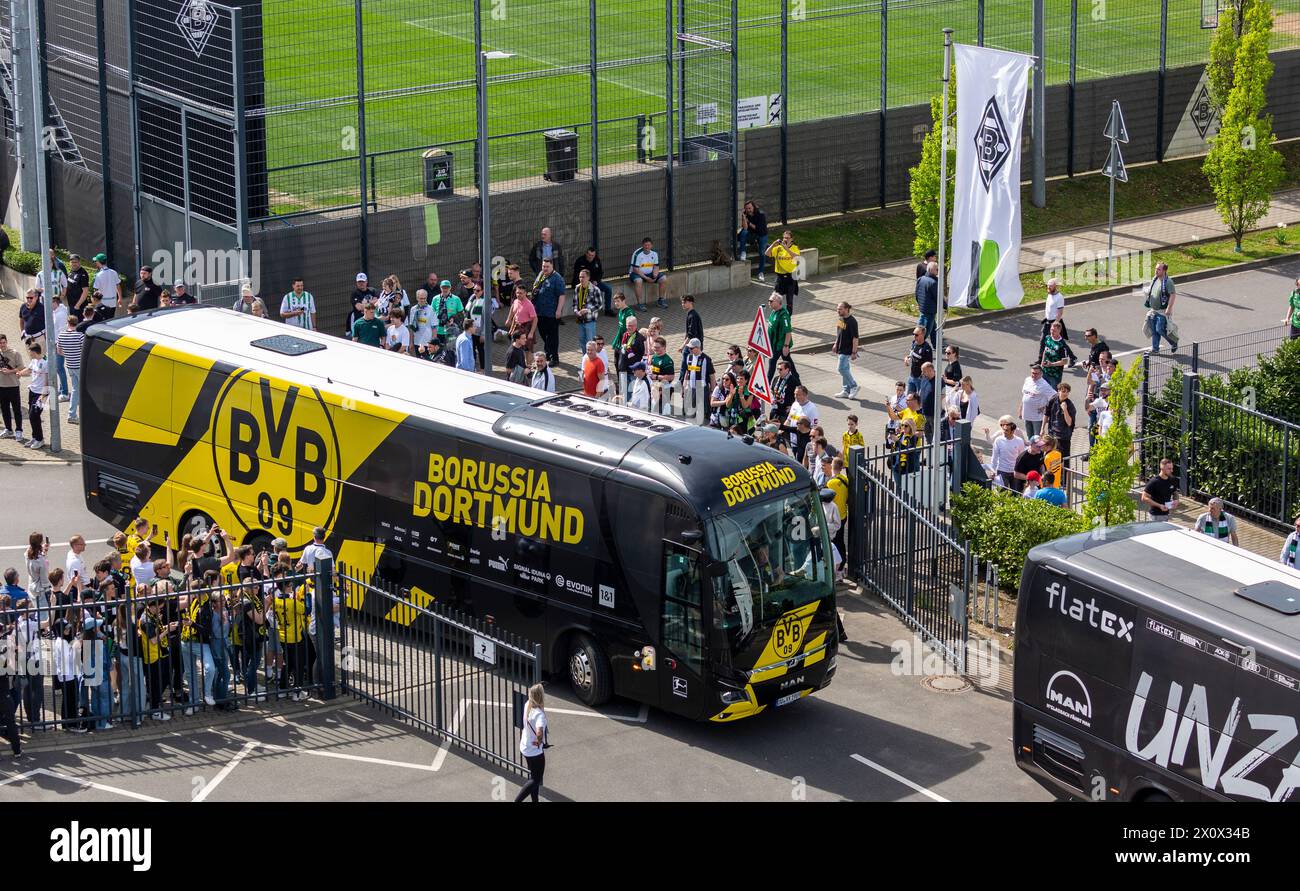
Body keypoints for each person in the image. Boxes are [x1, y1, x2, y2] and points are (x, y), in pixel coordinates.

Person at [514, 683, 549, 802]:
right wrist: (539, 741)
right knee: (535, 779)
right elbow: (539, 732)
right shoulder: (540, 715)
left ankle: (535, 800)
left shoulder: (527, 705)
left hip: (525, 746)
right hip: (534, 752)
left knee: (533, 776)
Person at [14, 340, 49, 449]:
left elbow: (48, 380)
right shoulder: (34, 361)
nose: (29, 354)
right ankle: (35, 437)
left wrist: (43, 395)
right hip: (32, 391)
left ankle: (40, 439)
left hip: (41, 394)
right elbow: (29, 370)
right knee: (32, 416)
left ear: (35, 352)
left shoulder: (45, 362)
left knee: (33, 415)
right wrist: (20, 373)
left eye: (30, 352)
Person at [532, 258, 566, 367]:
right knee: (543, 333)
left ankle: (554, 358)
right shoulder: (541, 275)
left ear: (552, 266)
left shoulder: (557, 279)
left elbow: (561, 295)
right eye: (543, 266)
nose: (545, 268)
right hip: (539, 312)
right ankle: (548, 352)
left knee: (552, 336)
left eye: (547, 266)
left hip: (551, 313)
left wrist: (559, 310)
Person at [1143, 261, 1179, 353]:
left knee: (1160, 329)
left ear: (1164, 271)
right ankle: (1155, 349)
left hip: (1162, 311)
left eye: (1159, 269)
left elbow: (1173, 294)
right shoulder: (1155, 278)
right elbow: (1152, 290)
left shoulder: (1168, 282)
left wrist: (1169, 308)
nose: (1156, 271)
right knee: (1154, 330)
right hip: (1154, 310)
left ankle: (1173, 342)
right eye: (1156, 268)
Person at [56, 312, 85, 424]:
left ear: (67, 323)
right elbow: (84, 351)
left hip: (70, 366)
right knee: (82, 390)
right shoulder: (80, 336)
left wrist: (69, 354)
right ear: (76, 323)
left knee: (75, 389)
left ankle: (72, 414)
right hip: (80, 366)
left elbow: (59, 351)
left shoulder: (61, 335)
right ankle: (75, 414)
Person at [1040, 278, 1076, 364]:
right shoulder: (1049, 294)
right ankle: (1040, 359)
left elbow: (1060, 312)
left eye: (1050, 286)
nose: (1048, 287)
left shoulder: (1059, 297)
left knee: (1061, 343)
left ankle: (1072, 357)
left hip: (1055, 323)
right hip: (1047, 322)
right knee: (1043, 340)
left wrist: (1055, 324)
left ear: (1055, 286)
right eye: (1048, 286)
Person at [765, 230, 801, 313]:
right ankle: (776, 316)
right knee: (775, 298)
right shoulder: (778, 248)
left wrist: (786, 249)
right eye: (784, 238)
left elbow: (797, 257)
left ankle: (788, 318)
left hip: (790, 277)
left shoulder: (795, 248)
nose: (785, 239)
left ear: (792, 239)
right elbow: (767, 253)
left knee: (789, 300)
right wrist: (773, 244)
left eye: (787, 238)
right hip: (780, 277)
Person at [679, 338, 714, 422]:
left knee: (703, 412)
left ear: (698, 347)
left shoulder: (706, 359)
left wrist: (712, 392)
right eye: (689, 348)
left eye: (691, 348)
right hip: (691, 389)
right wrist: (683, 388)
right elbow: (687, 373)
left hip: (702, 389)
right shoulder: (689, 357)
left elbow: (712, 377)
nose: (689, 350)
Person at [628, 237, 669, 310]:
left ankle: (661, 300)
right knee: (639, 281)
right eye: (645, 245)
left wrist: (655, 275)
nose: (647, 247)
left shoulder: (654, 253)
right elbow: (635, 269)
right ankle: (640, 304)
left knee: (663, 279)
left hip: (650, 273)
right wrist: (646, 278)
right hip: (636, 273)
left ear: (651, 246)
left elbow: (656, 266)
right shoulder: (637, 254)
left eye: (649, 245)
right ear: (642, 245)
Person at [832, 301, 860, 398]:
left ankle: (854, 385)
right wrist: (836, 344)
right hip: (840, 348)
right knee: (845, 369)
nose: (838, 310)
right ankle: (846, 390)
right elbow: (839, 333)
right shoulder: (841, 319)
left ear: (846, 309)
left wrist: (854, 352)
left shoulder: (852, 322)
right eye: (837, 308)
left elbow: (855, 338)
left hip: (847, 350)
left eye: (840, 309)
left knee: (841, 368)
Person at [1019, 363, 1055, 439]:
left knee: (1037, 438)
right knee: (1029, 437)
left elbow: (1055, 396)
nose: (1034, 375)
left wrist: (1045, 407)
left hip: (1037, 417)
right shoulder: (1028, 380)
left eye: (1036, 373)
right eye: (1032, 373)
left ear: (1041, 374)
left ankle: (1038, 451)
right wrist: (1020, 409)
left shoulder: (1044, 385)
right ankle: (1032, 450)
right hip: (1026, 414)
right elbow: (1024, 395)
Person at [990, 416, 1027, 491]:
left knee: (1016, 494)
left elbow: (1022, 458)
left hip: (1015, 472)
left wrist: (1022, 471)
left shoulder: (1019, 441)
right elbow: (994, 457)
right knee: (1001, 494)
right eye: (1003, 430)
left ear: (1013, 431)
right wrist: (992, 470)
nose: (1004, 432)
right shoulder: (998, 440)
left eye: (1006, 430)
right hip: (1001, 471)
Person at [572, 268, 604, 353]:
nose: (581, 279)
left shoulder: (595, 289)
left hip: (590, 320)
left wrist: (588, 310)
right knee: (582, 341)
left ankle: (593, 359)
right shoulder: (577, 288)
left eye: (583, 277)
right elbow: (574, 303)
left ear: (588, 277)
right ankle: (585, 359)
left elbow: (600, 305)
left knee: (590, 342)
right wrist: (576, 311)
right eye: (580, 277)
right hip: (580, 320)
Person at [1044, 382, 1077, 463]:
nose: (1065, 393)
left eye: (1067, 392)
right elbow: (1046, 414)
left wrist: (1065, 410)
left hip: (1064, 437)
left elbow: (1069, 423)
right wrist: (1042, 428)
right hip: (1052, 435)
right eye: (1063, 391)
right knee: (1051, 457)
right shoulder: (1053, 400)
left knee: (1065, 460)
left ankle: (1066, 475)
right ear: (1058, 391)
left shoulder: (1070, 405)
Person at [738, 200, 769, 282]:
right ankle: (743, 252)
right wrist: (744, 218)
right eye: (747, 208)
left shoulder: (760, 215)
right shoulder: (746, 215)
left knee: (762, 253)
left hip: (762, 234)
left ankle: (761, 273)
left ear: (753, 207)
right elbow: (745, 228)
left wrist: (749, 222)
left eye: (750, 208)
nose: (749, 210)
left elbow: (758, 229)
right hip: (753, 234)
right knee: (743, 233)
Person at [766, 292, 793, 380]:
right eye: (769, 301)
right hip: (774, 345)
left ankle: (767, 382)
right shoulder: (773, 312)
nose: (769, 303)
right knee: (788, 364)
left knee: (773, 363)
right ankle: (796, 380)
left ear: (778, 302)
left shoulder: (783, 315)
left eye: (771, 301)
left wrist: (785, 346)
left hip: (780, 345)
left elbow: (788, 332)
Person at [506, 282, 538, 353]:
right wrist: (510, 327)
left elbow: (535, 319)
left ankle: (528, 364)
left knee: (528, 350)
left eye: (520, 293)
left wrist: (531, 333)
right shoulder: (516, 301)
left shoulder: (529, 305)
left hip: (526, 327)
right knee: (516, 347)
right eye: (517, 293)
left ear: (525, 293)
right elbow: (514, 313)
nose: (518, 295)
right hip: (517, 327)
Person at [915, 260, 939, 347]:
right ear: (933, 270)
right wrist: (945, 306)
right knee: (925, 331)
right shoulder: (933, 283)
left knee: (933, 328)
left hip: (923, 309)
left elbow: (916, 294)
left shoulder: (921, 279)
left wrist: (920, 304)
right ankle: (915, 347)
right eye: (937, 269)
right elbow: (938, 297)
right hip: (930, 311)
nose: (938, 271)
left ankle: (936, 344)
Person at [680, 294, 704, 367]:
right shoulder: (691, 314)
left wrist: (682, 346)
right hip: (694, 345)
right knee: (691, 366)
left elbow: (691, 333)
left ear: (691, 303)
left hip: (693, 346)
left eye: (684, 302)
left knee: (685, 366)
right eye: (682, 302)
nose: (682, 304)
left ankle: (683, 378)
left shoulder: (692, 316)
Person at [1284, 277, 1300, 341]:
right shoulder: (1294, 293)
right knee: (1293, 344)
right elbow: (1292, 306)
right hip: (1295, 324)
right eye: (1299, 284)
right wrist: (1287, 318)